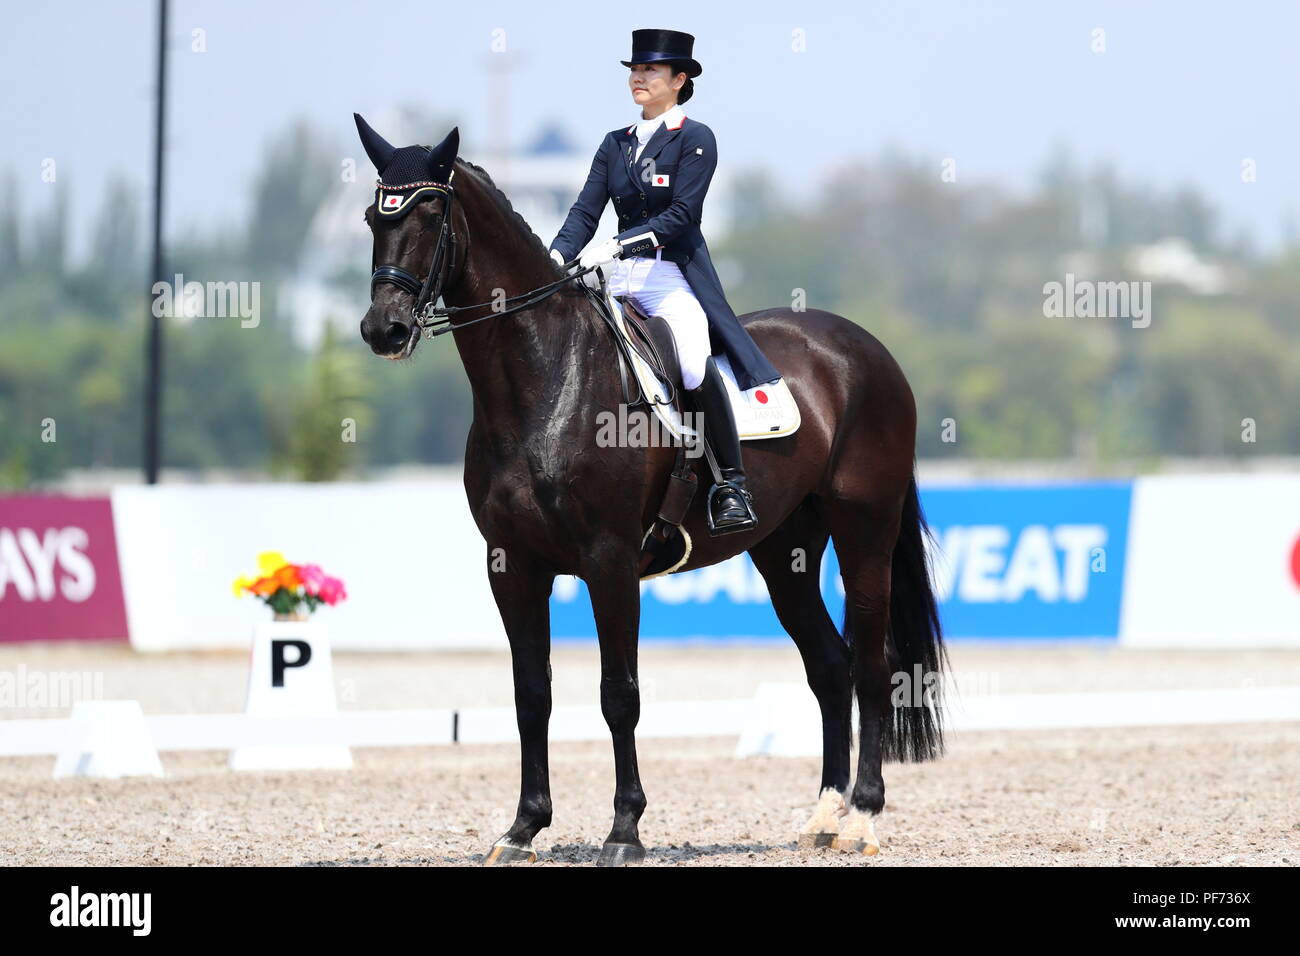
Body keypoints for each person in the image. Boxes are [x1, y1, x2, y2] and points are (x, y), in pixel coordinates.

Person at [549, 28, 780, 536]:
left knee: (694, 364)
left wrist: (625, 242)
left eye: (650, 70)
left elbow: (682, 214)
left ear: (679, 80)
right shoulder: (615, 145)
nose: (638, 77)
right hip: (614, 279)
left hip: (670, 275)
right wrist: (555, 255)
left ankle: (731, 485)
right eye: (634, 69)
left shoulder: (695, 139)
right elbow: (586, 212)